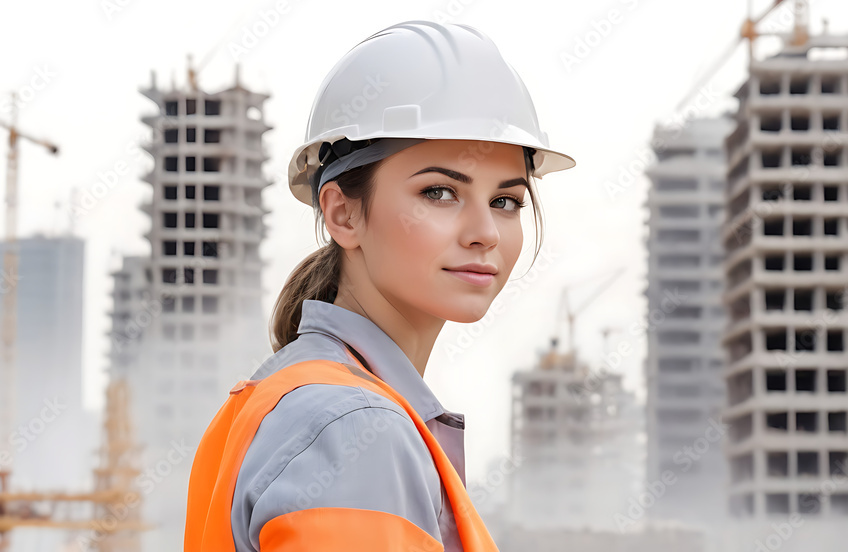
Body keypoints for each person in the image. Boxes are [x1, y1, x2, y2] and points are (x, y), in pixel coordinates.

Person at [184, 19, 575, 552]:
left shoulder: (289, 396)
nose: (485, 232)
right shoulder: (353, 427)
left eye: (505, 201)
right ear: (343, 214)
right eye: (439, 192)